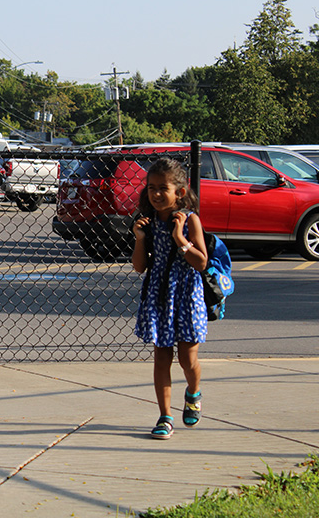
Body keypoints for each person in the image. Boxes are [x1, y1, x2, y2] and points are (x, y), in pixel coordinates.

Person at [131, 157, 207, 440]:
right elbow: (140, 266)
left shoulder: (189, 221)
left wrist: (180, 238)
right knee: (161, 358)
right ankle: (165, 416)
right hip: (159, 294)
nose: (156, 194)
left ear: (180, 193)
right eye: (151, 188)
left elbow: (200, 262)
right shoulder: (147, 223)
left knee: (188, 359)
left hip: (186, 294)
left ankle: (193, 393)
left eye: (163, 188)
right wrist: (139, 238)